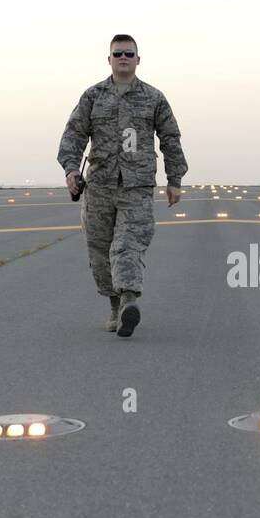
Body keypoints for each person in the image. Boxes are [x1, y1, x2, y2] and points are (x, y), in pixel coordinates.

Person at [57, 34, 187, 337]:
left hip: (137, 186)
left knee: (127, 244)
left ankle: (129, 299)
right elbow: (74, 134)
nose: (124, 58)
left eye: (129, 53)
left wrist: (174, 180)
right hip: (99, 185)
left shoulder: (153, 98)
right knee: (100, 250)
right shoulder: (93, 96)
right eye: (118, 54)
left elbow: (170, 139)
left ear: (138, 60)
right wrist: (71, 169)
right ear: (109, 59)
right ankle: (115, 307)